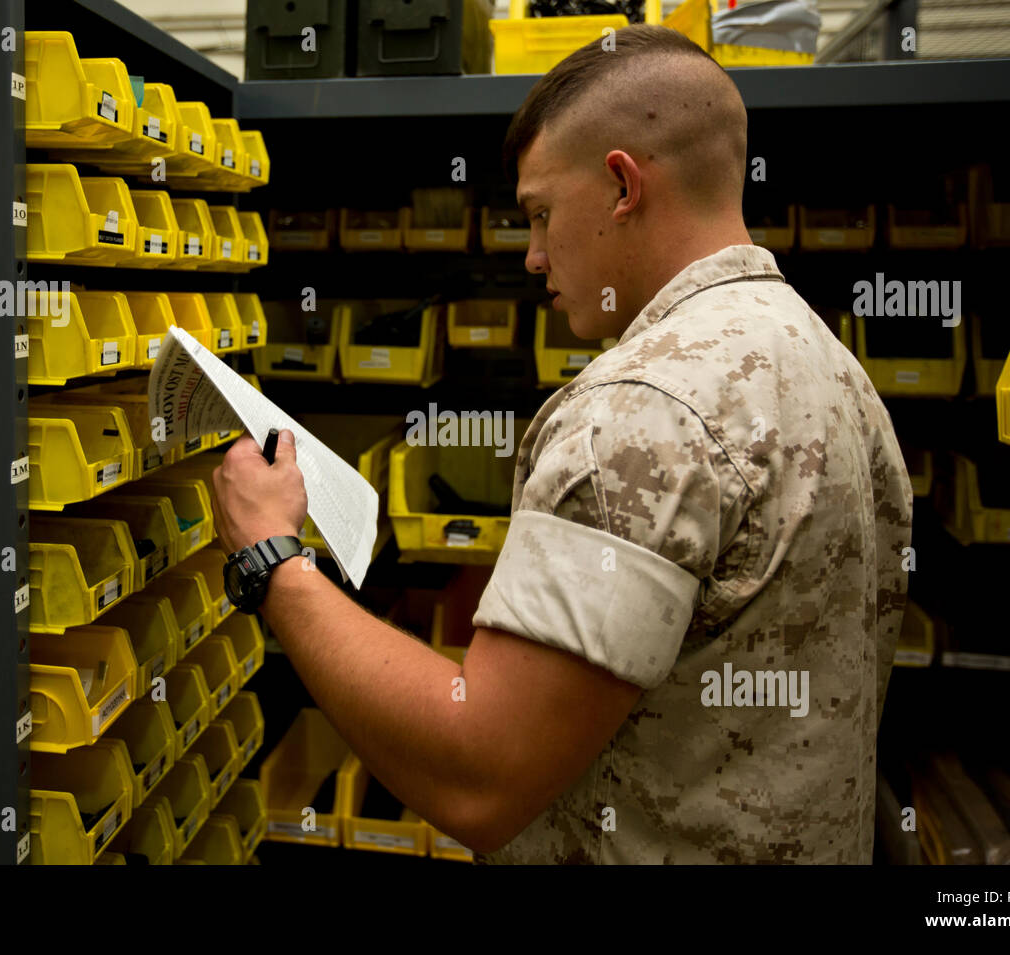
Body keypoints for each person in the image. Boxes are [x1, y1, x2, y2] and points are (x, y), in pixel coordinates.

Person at [212, 24, 912, 864]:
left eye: (540, 215)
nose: (534, 258)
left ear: (622, 184)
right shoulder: (833, 369)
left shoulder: (636, 412)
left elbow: (480, 773)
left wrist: (274, 561)